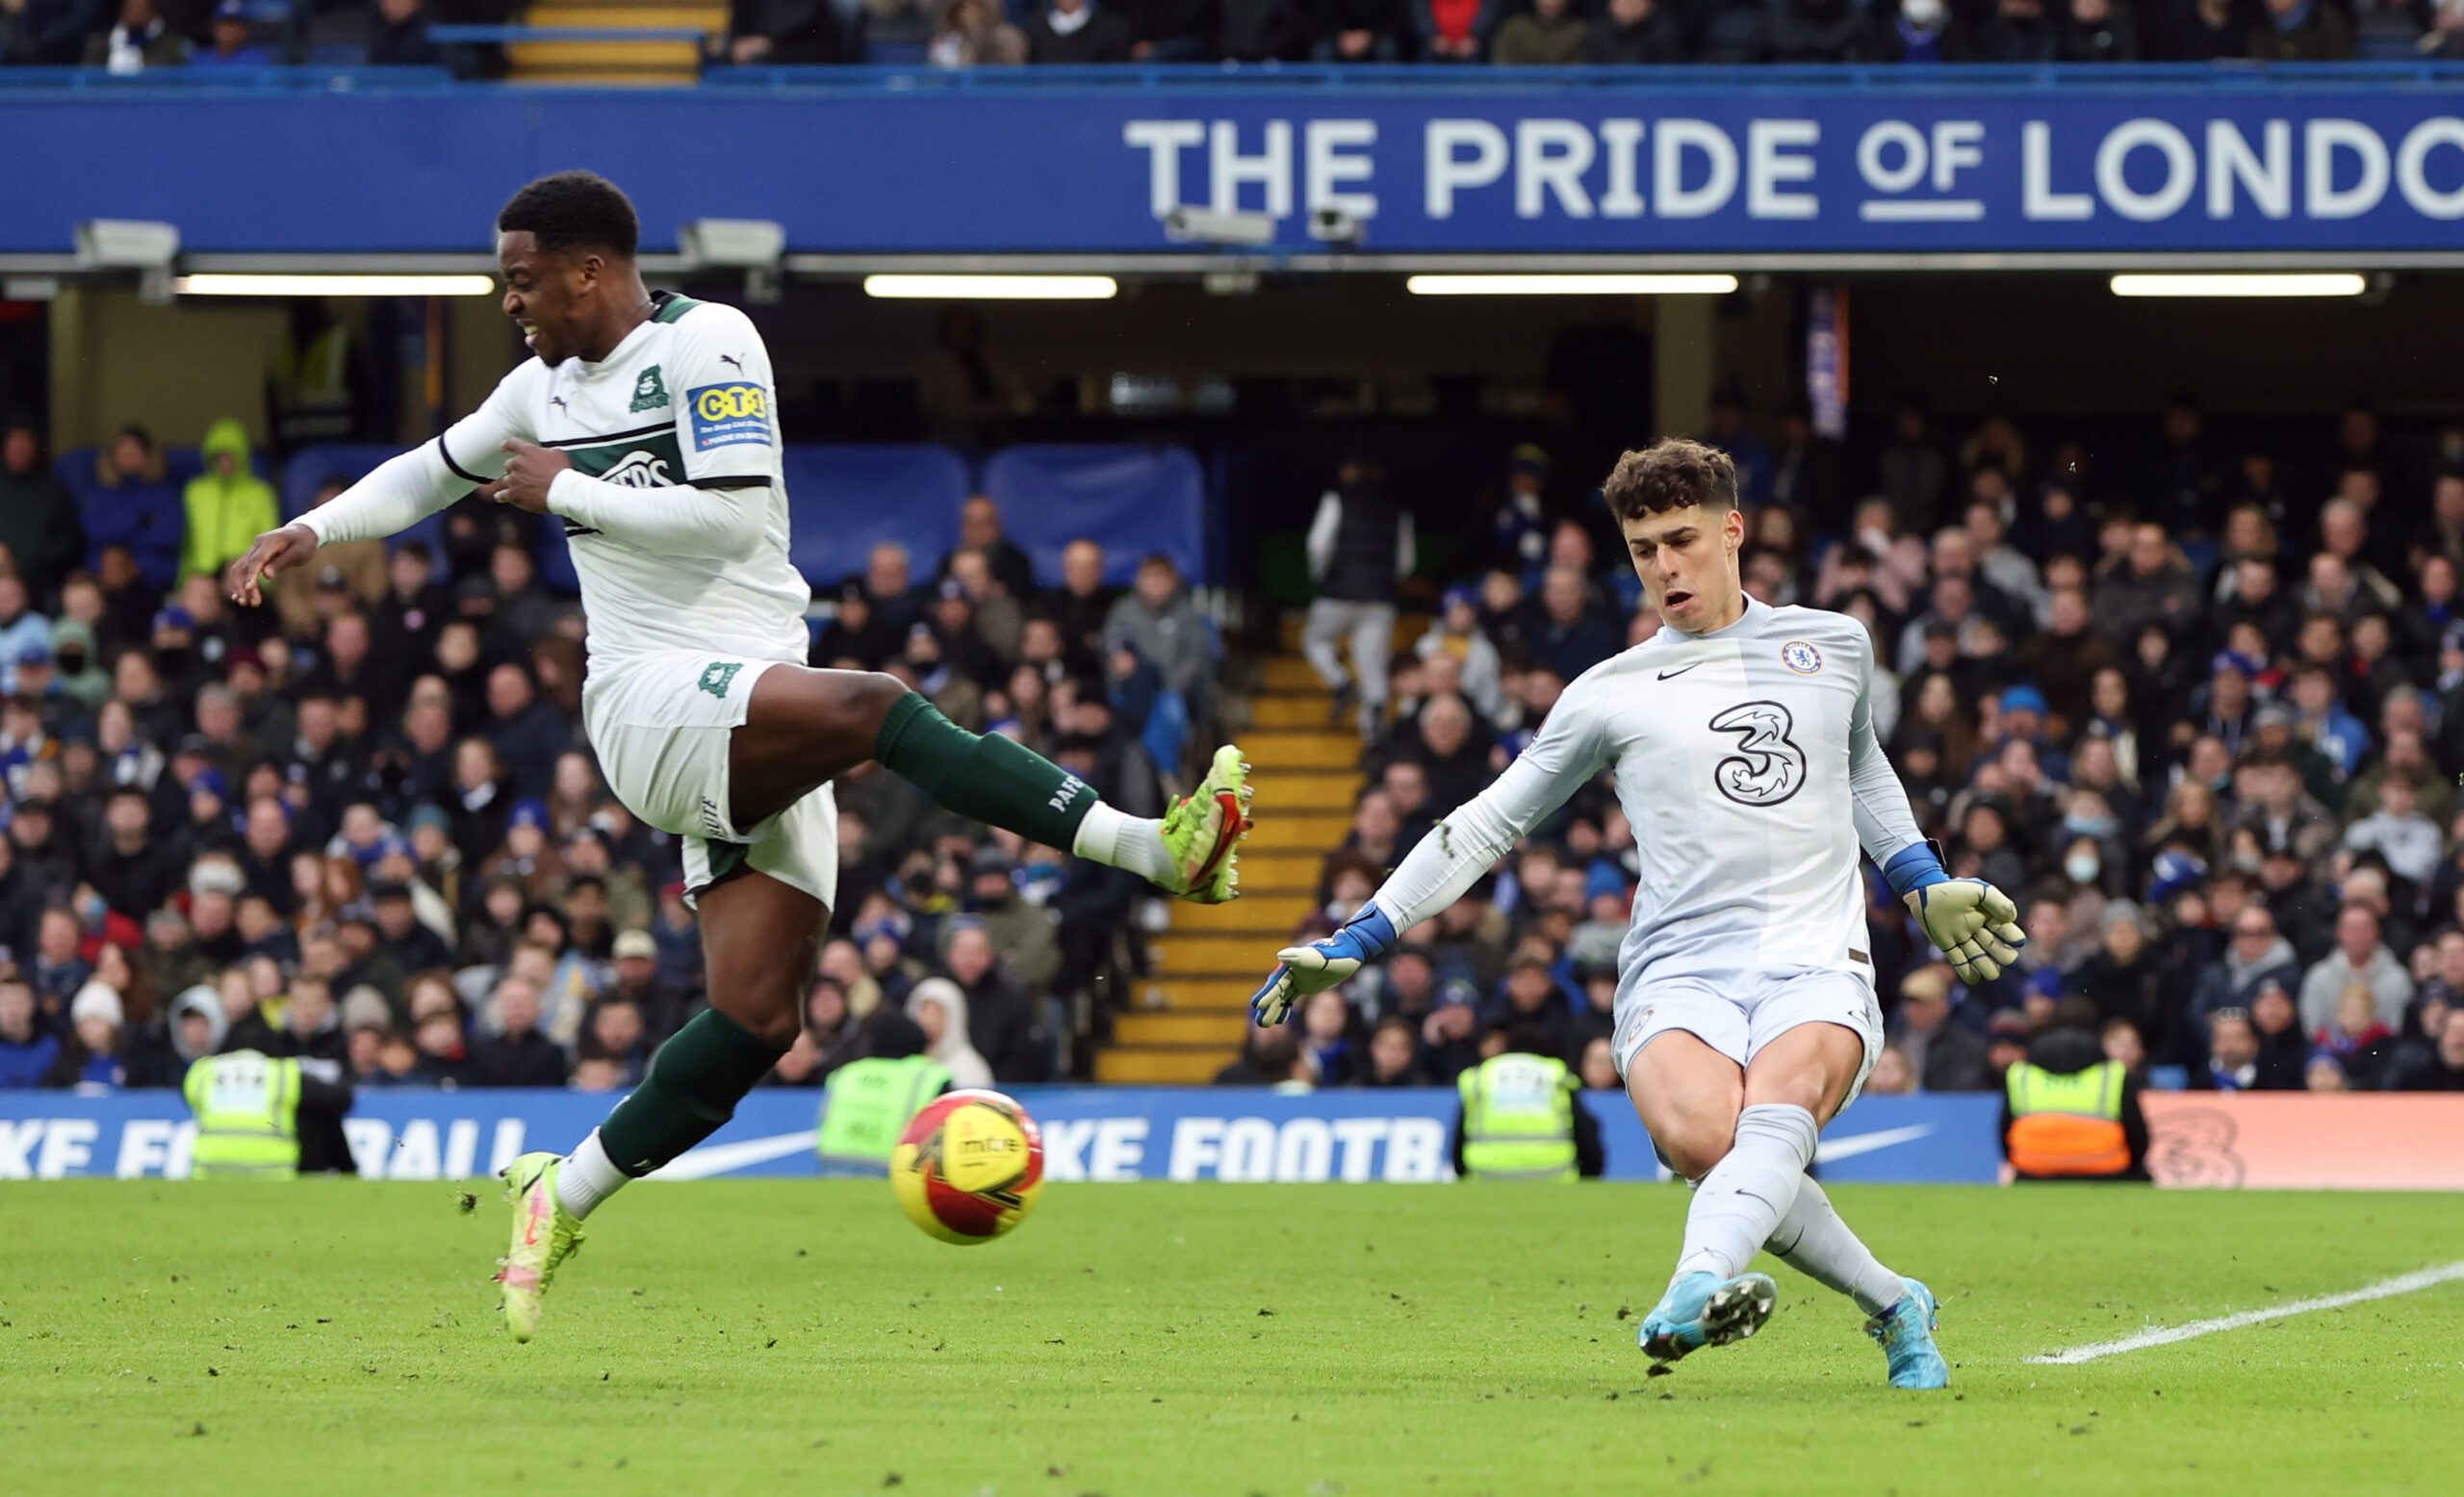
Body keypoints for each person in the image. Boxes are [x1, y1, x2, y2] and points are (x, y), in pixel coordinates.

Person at [221, 172, 1255, 1343]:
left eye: (520, 278)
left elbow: (727, 510)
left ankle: (560, 1195)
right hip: (648, 706)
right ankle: (1154, 849)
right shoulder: (535, 389)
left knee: (759, 1017)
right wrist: (312, 527)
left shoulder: (710, 343)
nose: (508, 300)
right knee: (874, 706)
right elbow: (429, 469)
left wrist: (571, 487)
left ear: (589, 271)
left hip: (744, 700)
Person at [1254, 439, 2026, 1390]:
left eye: (1681, 539)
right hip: (1678, 968)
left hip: (1816, 956)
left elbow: (1859, 764)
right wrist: (1360, 933)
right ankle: (1892, 1300)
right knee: (1708, 1141)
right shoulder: (1606, 693)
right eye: (1642, 549)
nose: (1663, 566)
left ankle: (1696, 1284)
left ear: (1732, 531)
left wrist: (1918, 876)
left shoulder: (1833, 645)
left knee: (1775, 1112)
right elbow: (1485, 824)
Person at [1301, 458, 1415, 737]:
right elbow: (1406, 561)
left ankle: (1341, 684)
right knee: (1371, 662)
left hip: (1337, 592)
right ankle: (1374, 735)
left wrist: (1324, 578)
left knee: (1314, 640)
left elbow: (1317, 545)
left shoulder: (1337, 497)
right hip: (1380, 598)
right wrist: (1386, 583)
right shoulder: (1397, 505)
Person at [1999, 998, 2149, 1182]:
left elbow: (2004, 1132)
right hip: (2105, 1171)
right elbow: (2138, 1137)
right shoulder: (2113, 1074)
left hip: (2033, 1171)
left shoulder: (2020, 1074)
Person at [1451, 1023, 1604, 1180]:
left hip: (1487, 1177)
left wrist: (1463, 1173)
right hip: (1552, 1177)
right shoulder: (1555, 1074)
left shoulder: (1481, 1076)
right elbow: (1585, 1134)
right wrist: (1590, 1175)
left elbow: (1459, 1138)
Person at [182, 1046, 355, 1179]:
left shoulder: (203, 1071)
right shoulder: (279, 1072)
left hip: (209, 1167)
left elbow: (188, 1098)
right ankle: (348, 1173)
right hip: (272, 1168)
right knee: (317, 1113)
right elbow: (340, 1099)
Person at [813, 1011, 950, 1174]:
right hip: (895, 1170)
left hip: (833, 1165)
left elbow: (823, 1119)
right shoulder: (929, 1076)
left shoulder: (846, 1073)